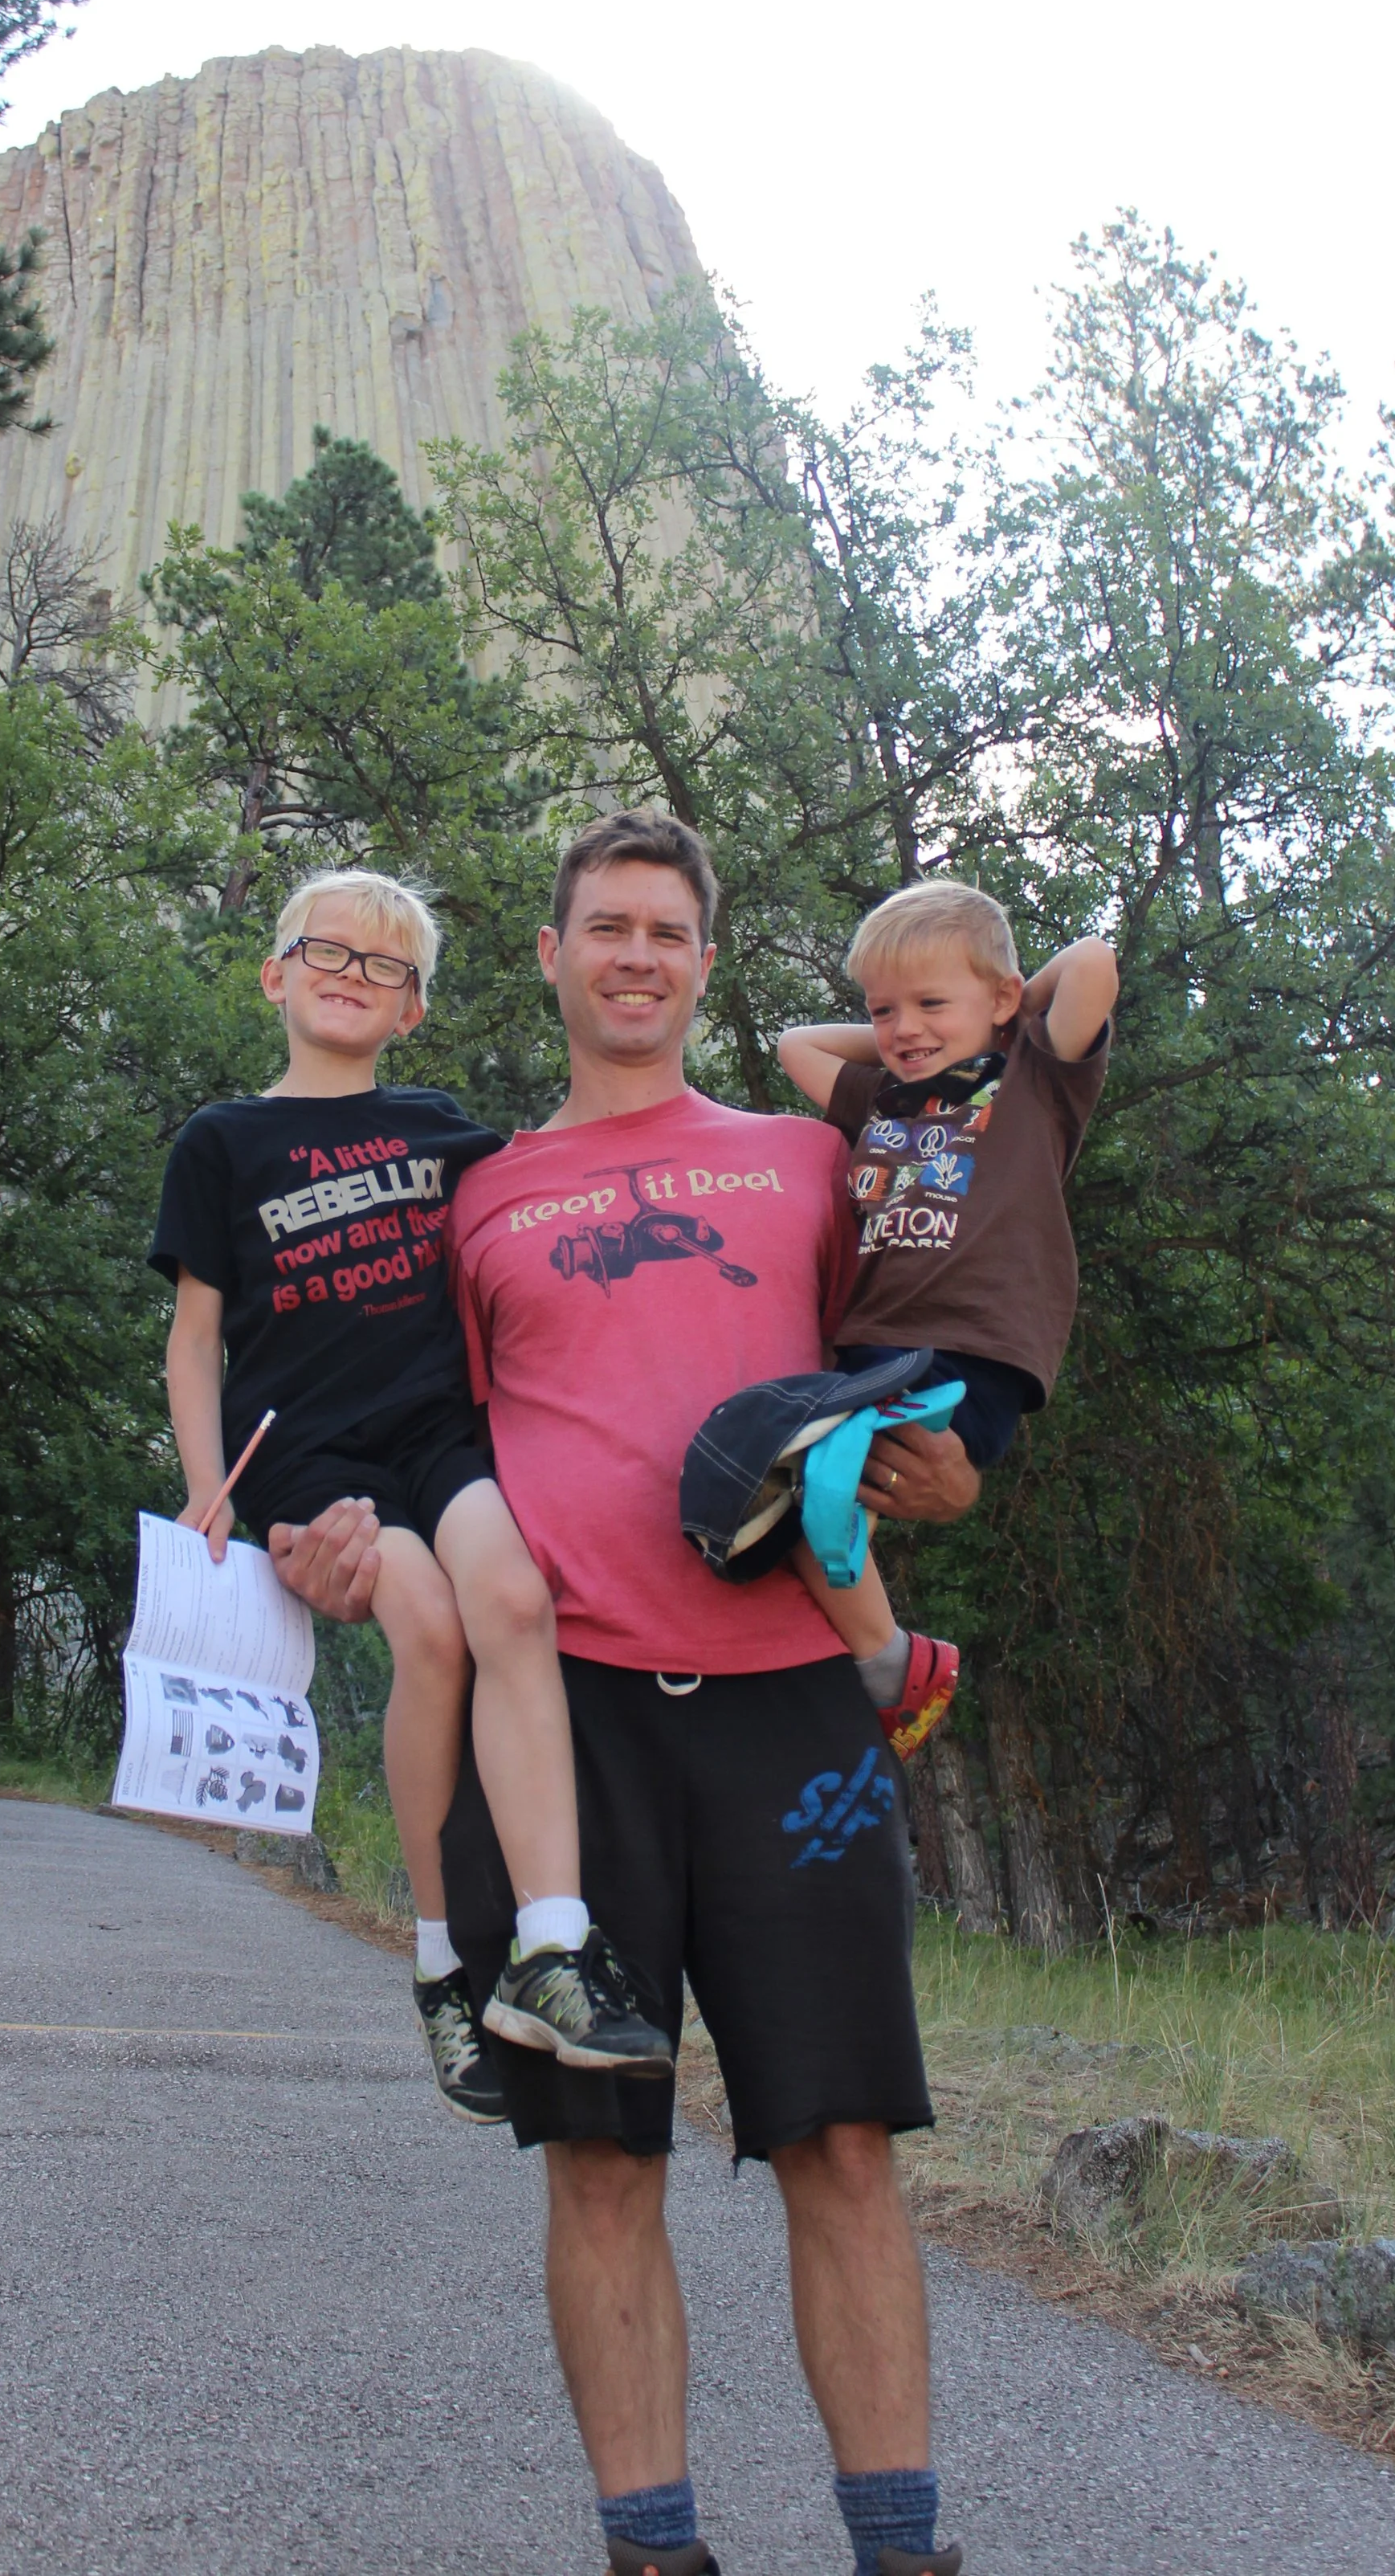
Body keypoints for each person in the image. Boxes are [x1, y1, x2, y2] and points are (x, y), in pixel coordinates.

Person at [268, 814, 977, 2576]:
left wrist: (953, 1475)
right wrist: (328, 1540)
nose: (635, 956)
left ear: (704, 965)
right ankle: (651, 2555)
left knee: (837, 2146)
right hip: (559, 1726)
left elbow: (940, 1354)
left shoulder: (810, 1163)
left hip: (793, 1708)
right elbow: (385, 1425)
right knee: (596, 2163)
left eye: (667, 930)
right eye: (605, 928)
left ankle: (902, 2553)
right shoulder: (471, 1193)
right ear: (551, 953)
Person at [149, 867, 671, 2126]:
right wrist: (206, 1488)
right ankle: (442, 1962)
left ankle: (550, 1943)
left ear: (415, 1009)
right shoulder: (221, 1141)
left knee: (511, 1597)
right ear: (275, 972)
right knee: (430, 1632)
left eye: (386, 966)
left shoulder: (445, 1127)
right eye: (326, 950)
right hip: (309, 1460)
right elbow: (192, 1338)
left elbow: (539, 1230)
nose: (352, 974)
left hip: (443, 1433)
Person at [775, 880, 1118, 1747]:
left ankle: (881, 1670)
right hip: (868, 1345)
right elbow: (795, 1043)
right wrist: (922, 1023)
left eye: (931, 1003)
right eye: (883, 1010)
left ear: (1001, 1001)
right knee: (793, 1506)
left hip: (972, 1347)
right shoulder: (878, 1101)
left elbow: (1092, 964)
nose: (902, 1029)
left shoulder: (1034, 1080)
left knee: (831, 1476)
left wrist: (1008, 1010)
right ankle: (886, 1662)